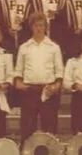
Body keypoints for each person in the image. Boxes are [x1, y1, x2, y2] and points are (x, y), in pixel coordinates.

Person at [14, 12, 64, 141]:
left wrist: (56, 86)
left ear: (46, 27)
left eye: (41, 25)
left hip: (48, 91)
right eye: (36, 25)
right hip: (29, 91)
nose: (39, 28)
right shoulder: (24, 47)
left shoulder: (54, 47)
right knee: (27, 128)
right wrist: (19, 83)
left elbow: (59, 71)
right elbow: (19, 71)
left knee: (49, 128)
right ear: (31, 27)